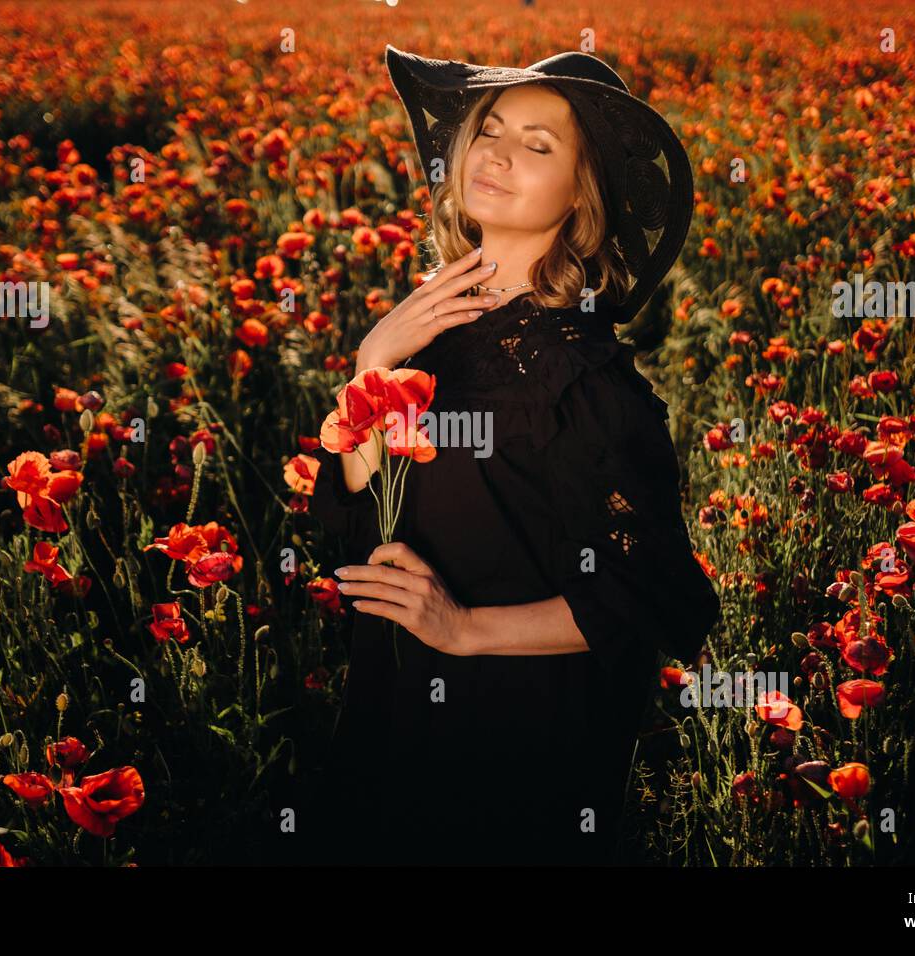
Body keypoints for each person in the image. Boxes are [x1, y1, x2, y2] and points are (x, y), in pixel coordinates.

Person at [302, 45, 721, 866]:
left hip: (508, 750)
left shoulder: (585, 386)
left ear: (583, 197)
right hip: (392, 718)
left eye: (539, 145)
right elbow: (358, 536)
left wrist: (463, 631)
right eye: (490, 128)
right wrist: (369, 368)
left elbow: (652, 598)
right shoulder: (430, 337)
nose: (496, 151)